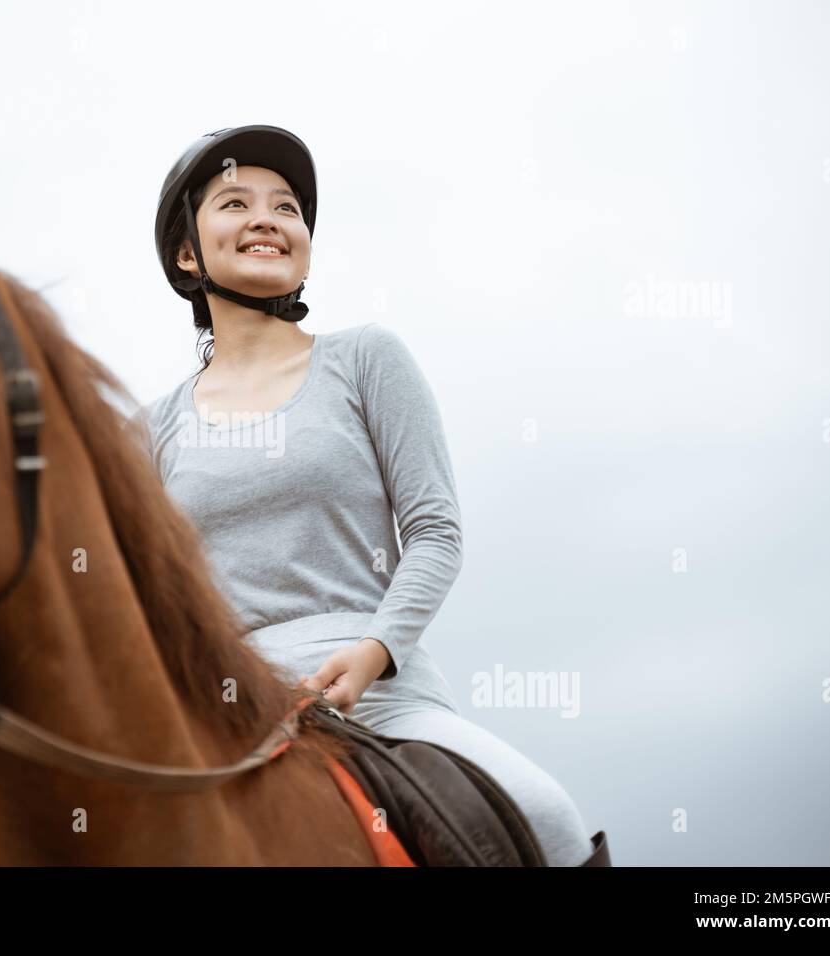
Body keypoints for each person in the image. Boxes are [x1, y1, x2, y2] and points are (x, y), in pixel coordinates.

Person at [138, 125, 595, 866]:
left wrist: (377, 651)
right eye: (235, 203)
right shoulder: (149, 429)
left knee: (548, 817)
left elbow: (436, 532)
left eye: (286, 208)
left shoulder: (366, 359)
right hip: (221, 713)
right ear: (187, 253)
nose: (267, 219)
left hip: (380, 697)